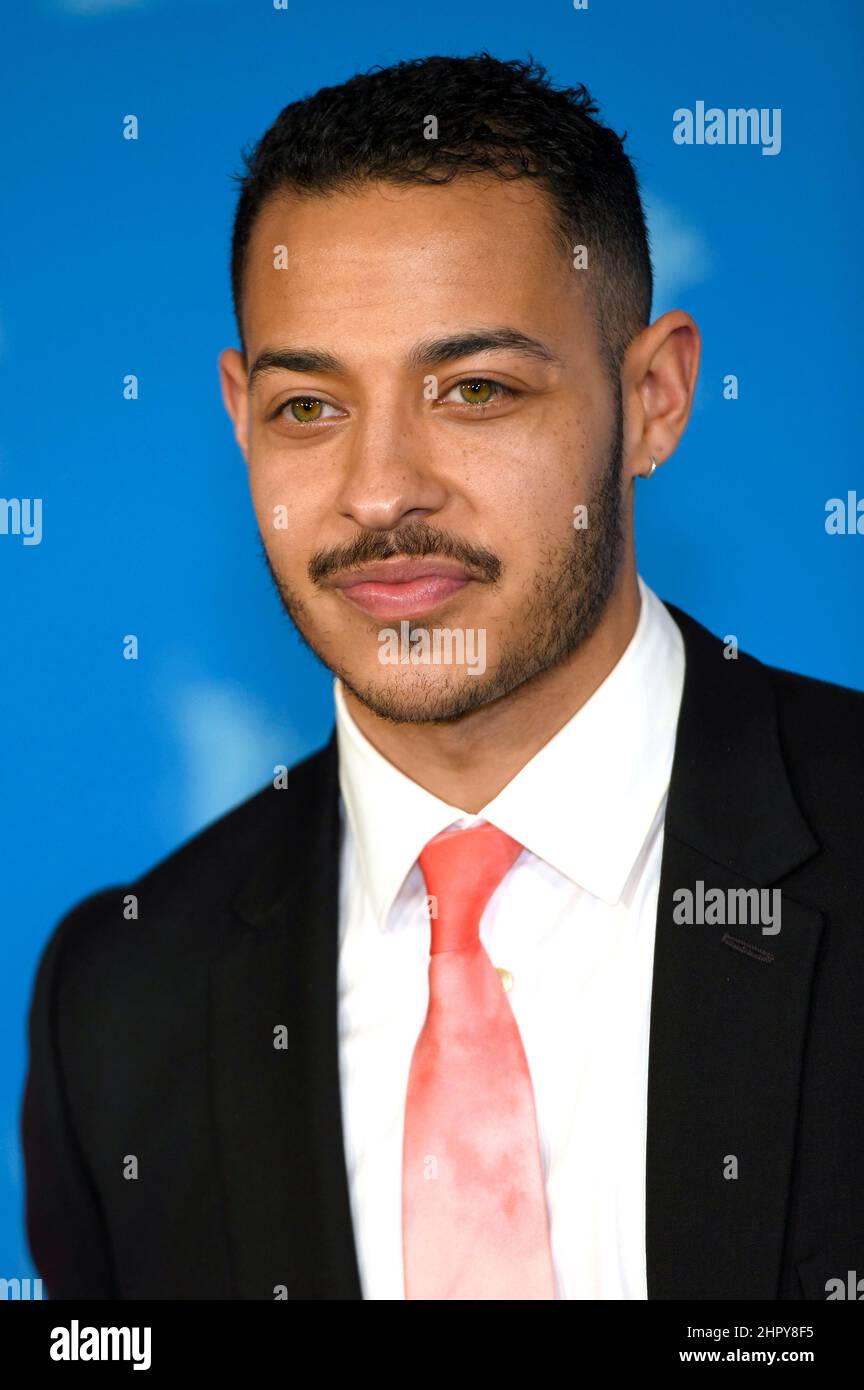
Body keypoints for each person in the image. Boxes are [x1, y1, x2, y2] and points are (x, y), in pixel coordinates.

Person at [22, 53, 864, 1300]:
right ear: (240, 413)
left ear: (654, 398)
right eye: (309, 406)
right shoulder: (119, 1006)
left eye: (474, 389)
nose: (378, 491)